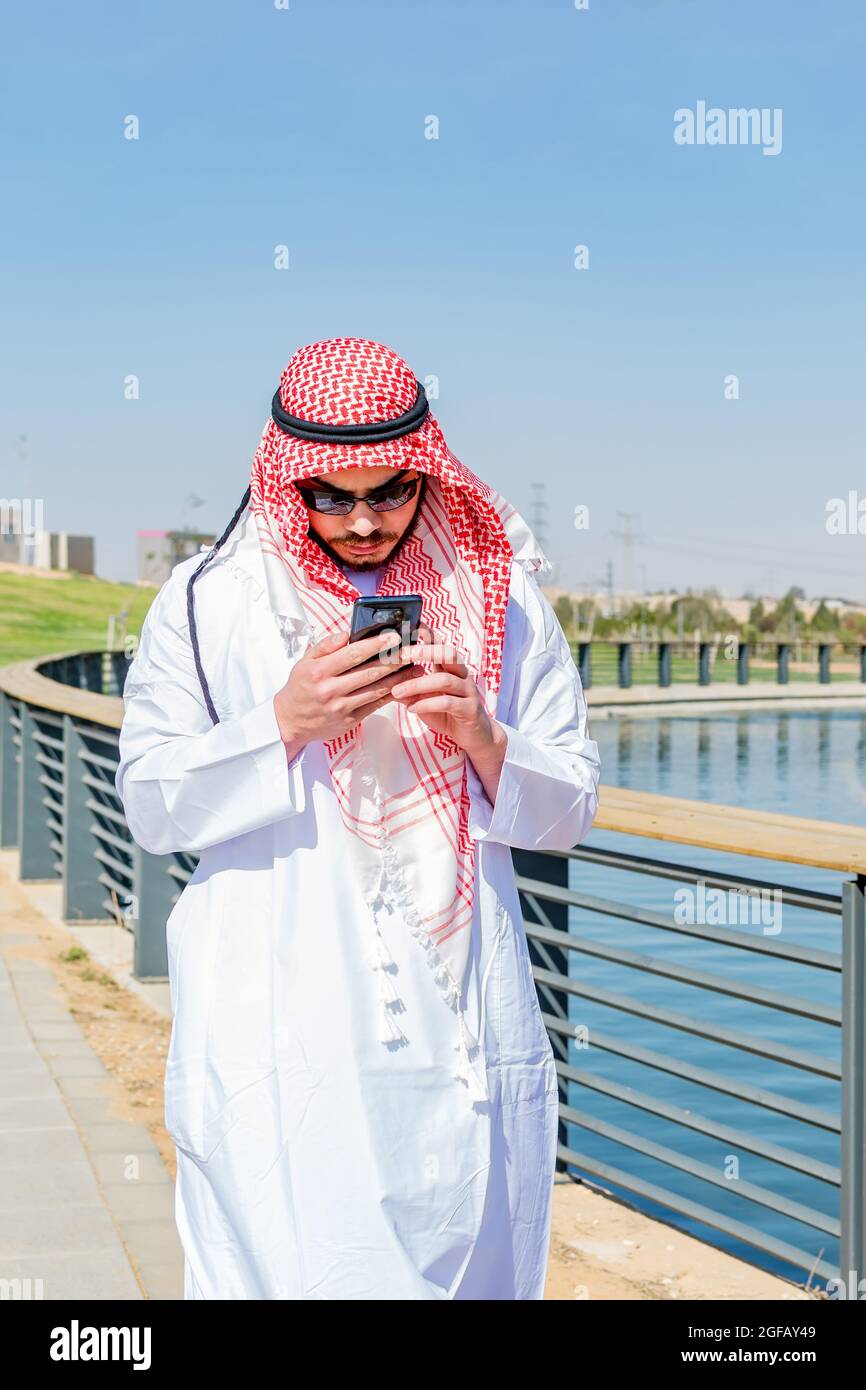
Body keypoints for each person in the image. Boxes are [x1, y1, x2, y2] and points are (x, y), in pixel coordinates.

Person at [114, 336, 601, 1300]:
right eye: (331, 496)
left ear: (428, 469)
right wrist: (284, 724)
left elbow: (572, 804)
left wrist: (482, 737)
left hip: (458, 1020)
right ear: (286, 477)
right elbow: (150, 802)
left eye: (390, 491)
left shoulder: (501, 603)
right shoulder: (210, 606)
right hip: (279, 1010)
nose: (364, 521)